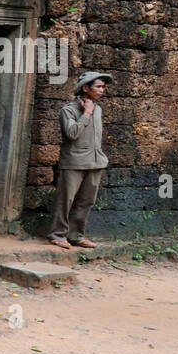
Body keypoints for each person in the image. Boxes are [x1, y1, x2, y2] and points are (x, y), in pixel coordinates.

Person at [49, 71, 113, 249]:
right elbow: (71, 134)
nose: (103, 90)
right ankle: (57, 234)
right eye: (99, 86)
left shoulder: (98, 109)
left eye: (103, 87)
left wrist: (91, 111)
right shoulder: (68, 110)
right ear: (86, 88)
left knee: (86, 201)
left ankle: (76, 235)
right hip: (73, 162)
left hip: (95, 162)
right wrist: (86, 113)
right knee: (66, 200)